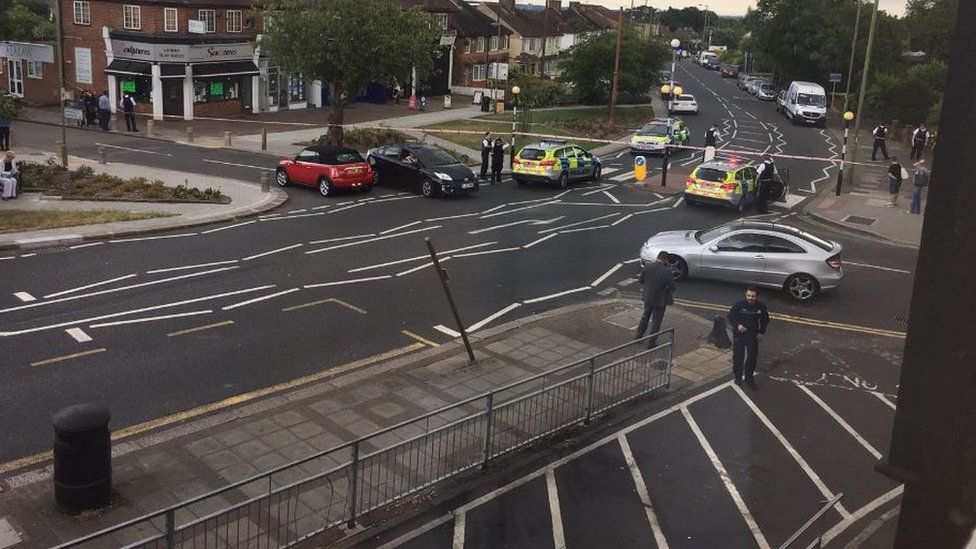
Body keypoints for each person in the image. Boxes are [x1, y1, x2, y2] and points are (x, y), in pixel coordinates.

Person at [727, 287, 769, 388]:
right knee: (738, 357)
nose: (750, 298)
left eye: (753, 296)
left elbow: (765, 320)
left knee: (752, 357)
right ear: (746, 295)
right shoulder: (739, 305)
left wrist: (761, 332)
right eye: (748, 295)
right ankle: (737, 377)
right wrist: (738, 325)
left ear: (757, 297)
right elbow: (731, 317)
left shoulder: (761, 306)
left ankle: (749, 378)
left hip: (752, 335)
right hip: (739, 335)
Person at [635, 251, 677, 349]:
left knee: (645, 317)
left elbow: (641, 281)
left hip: (648, 297)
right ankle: (651, 343)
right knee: (656, 321)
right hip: (660, 300)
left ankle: (638, 337)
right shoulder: (667, 271)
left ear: (657, 257)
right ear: (666, 260)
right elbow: (672, 288)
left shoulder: (647, 266)